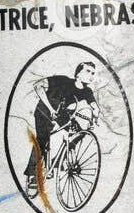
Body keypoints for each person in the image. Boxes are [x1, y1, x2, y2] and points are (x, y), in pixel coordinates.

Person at [24, 60, 99, 198]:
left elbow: (94, 105)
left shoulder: (87, 91)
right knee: (42, 141)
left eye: (93, 73)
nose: (91, 75)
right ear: (78, 73)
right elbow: (38, 86)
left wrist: (95, 113)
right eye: (88, 71)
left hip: (61, 113)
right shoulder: (63, 81)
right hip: (45, 110)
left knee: (81, 130)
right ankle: (32, 176)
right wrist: (50, 109)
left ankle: (60, 160)